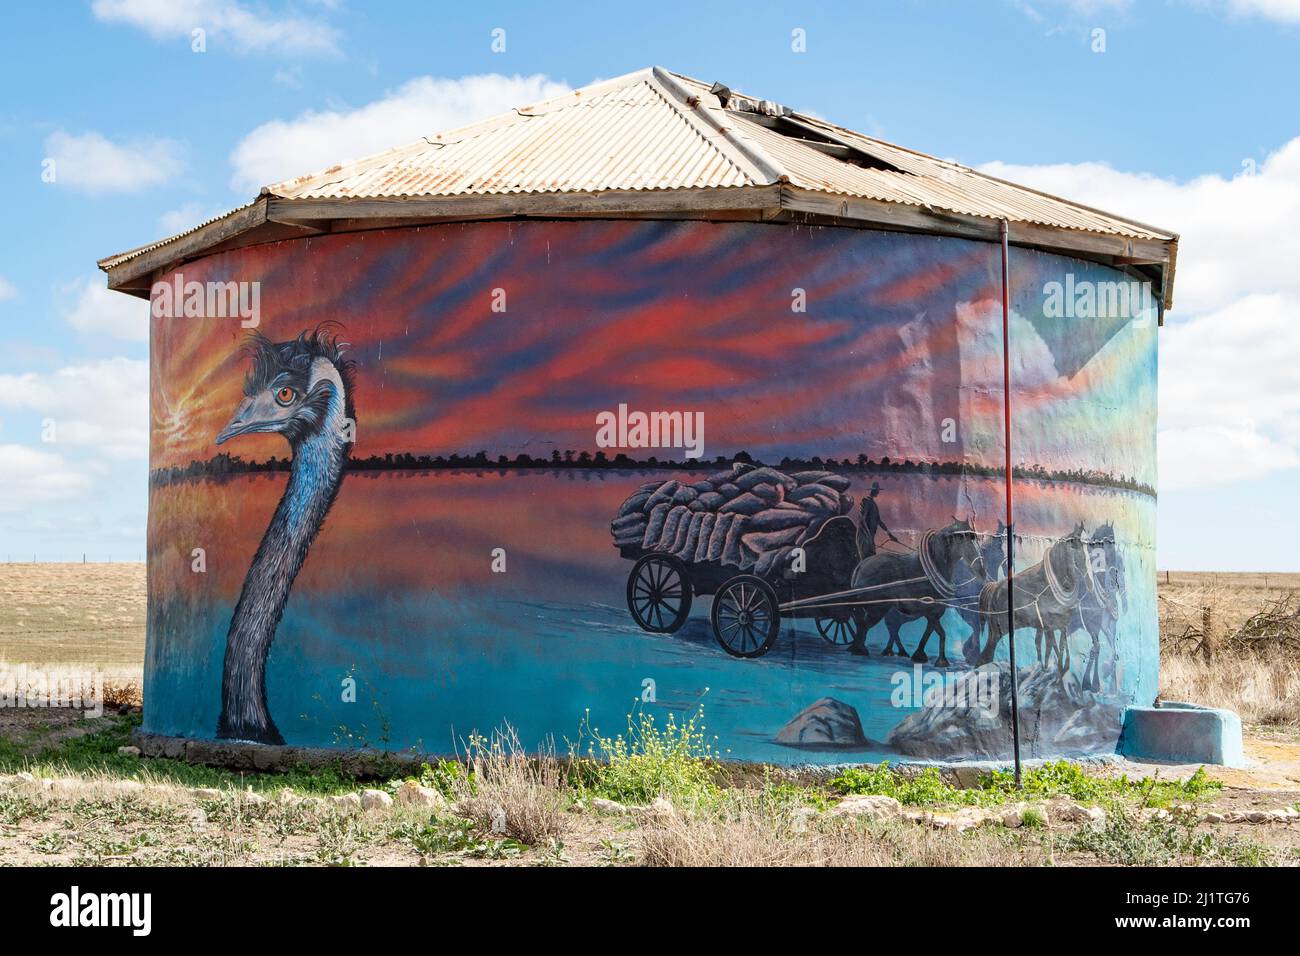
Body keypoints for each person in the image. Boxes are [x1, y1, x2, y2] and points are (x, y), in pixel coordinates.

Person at [857, 481, 900, 557]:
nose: (878, 492)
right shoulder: (866, 501)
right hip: (865, 537)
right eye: (877, 491)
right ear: (873, 491)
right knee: (866, 559)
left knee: (871, 557)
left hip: (870, 537)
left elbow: (879, 521)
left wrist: (890, 535)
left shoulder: (873, 504)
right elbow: (862, 519)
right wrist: (867, 535)